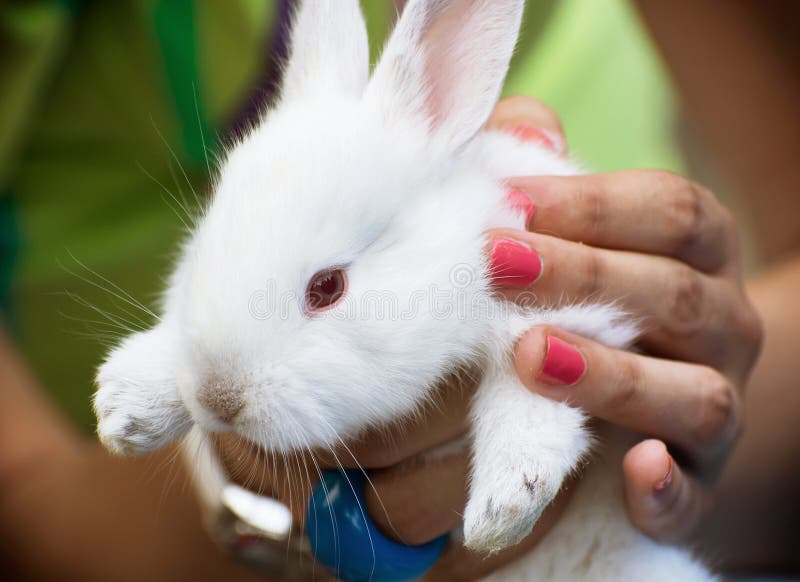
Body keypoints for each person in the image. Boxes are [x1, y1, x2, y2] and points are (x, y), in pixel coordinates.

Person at [0, 1, 797, 580]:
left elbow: (567, 344)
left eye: (326, 289)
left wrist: (591, 421)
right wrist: (214, 453)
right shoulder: (306, 169)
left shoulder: (482, 216)